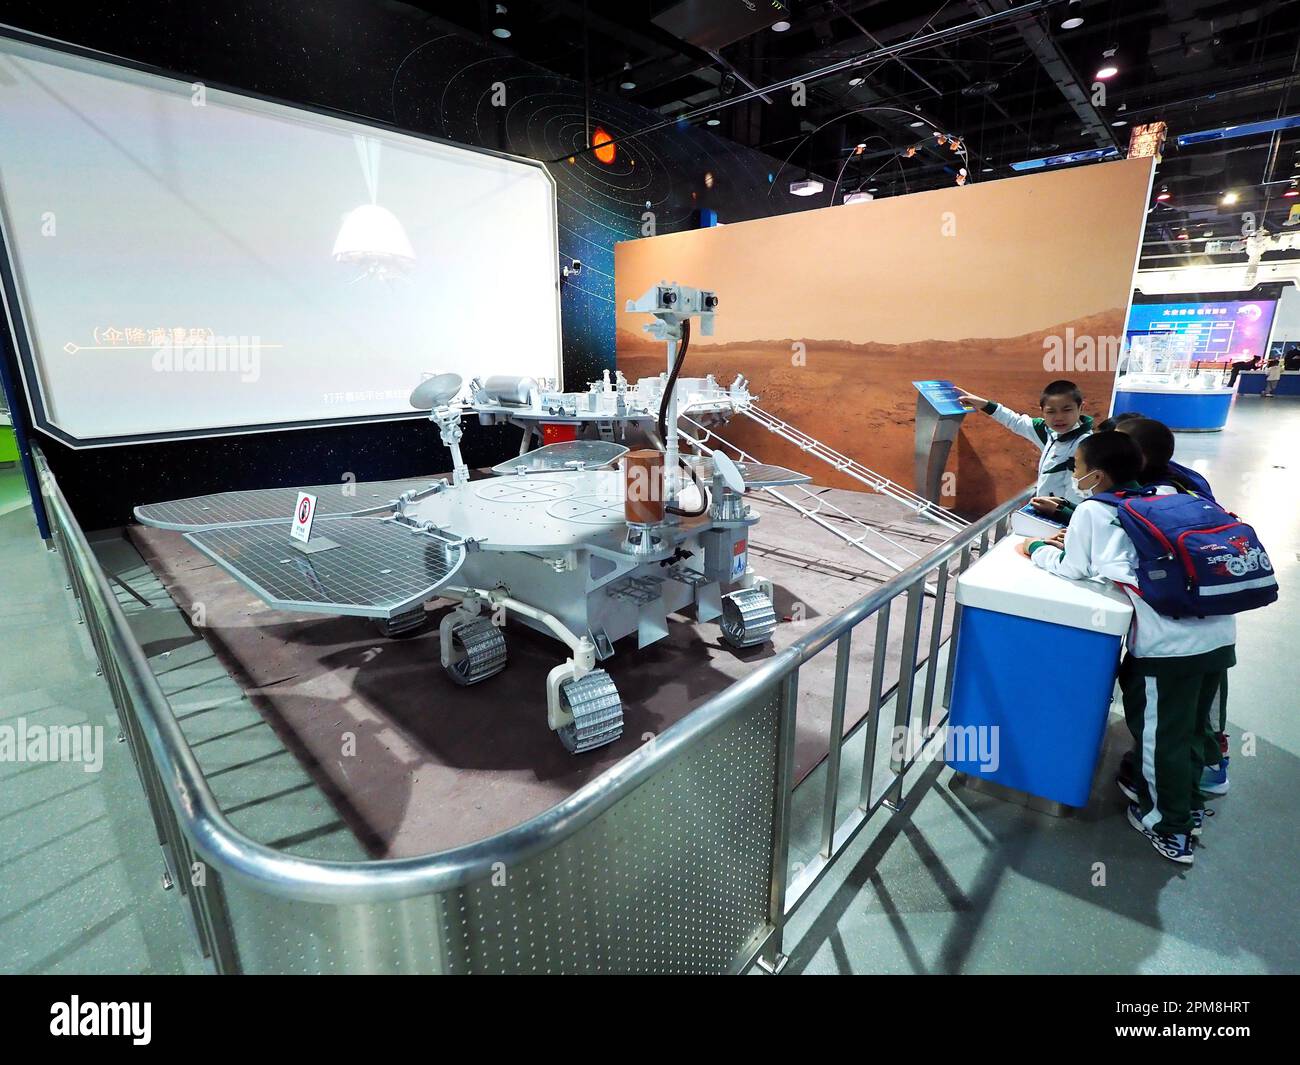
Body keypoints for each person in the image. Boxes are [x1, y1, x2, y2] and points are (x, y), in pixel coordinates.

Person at [1016, 432, 1235, 865]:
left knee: (1160, 738)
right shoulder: (1167, 492)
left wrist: (1036, 547)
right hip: (1217, 634)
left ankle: (1169, 827)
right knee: (1189, 728)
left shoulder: (1095, 510)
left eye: (1076, 467)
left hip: (1168, 647)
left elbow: (1072, 568)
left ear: (1095, 476)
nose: (1073, 474)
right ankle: (1186, 799)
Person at [1112, 417, 1229, 794]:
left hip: (1170, 639)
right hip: (1217, 624)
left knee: (1163, 723)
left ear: (1139, 457)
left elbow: (1118, 552)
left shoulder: (1145, 499)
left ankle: (1169, 812)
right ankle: (1209, 767)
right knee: (1196, 709)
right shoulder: (1190, 484)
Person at [955, 380, 1093, 514]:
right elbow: (1015, 421)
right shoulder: (1047, 432)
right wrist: (983, 404)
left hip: (1063, 520)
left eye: (1066, 410)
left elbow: (1079, 493)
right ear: (1042, 411)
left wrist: (1062, 516)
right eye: (1051, 412)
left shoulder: (1086, 446)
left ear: (1081, 407)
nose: (1059, 417)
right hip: (1048, 514)